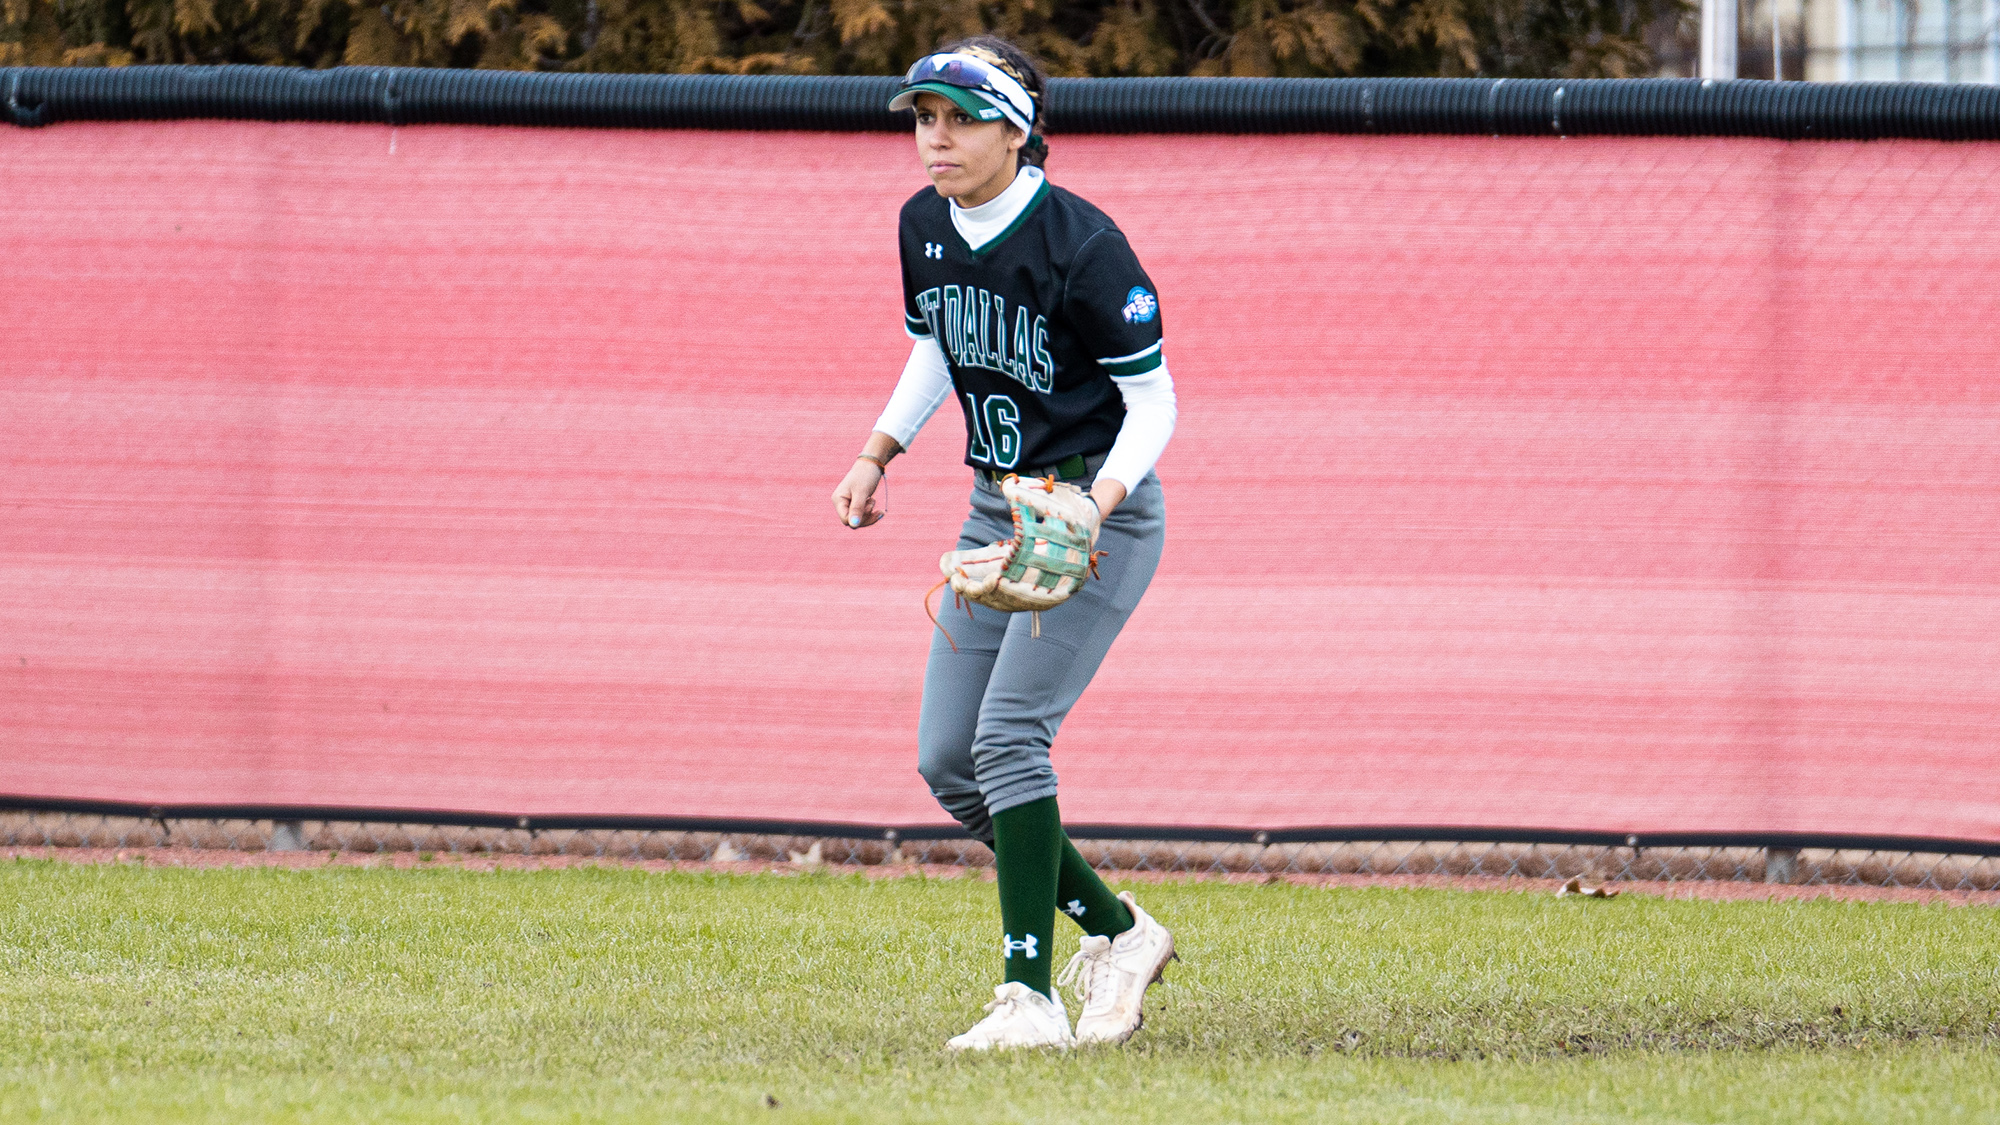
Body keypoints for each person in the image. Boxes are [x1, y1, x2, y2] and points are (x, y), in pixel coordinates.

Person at [830, 37, 1181, 1052]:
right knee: (950, 762)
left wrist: (1098, 500)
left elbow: (1152, 399)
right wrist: (878, 451)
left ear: (1015, 130)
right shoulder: (922, 226)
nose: (931, 137)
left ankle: (1028, 995)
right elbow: (936, 344)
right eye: (920, 116)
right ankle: (1117, 931)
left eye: (956, 117)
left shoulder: (1080, 242)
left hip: (1089, 514)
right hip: (996, 507)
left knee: (1006, 740)